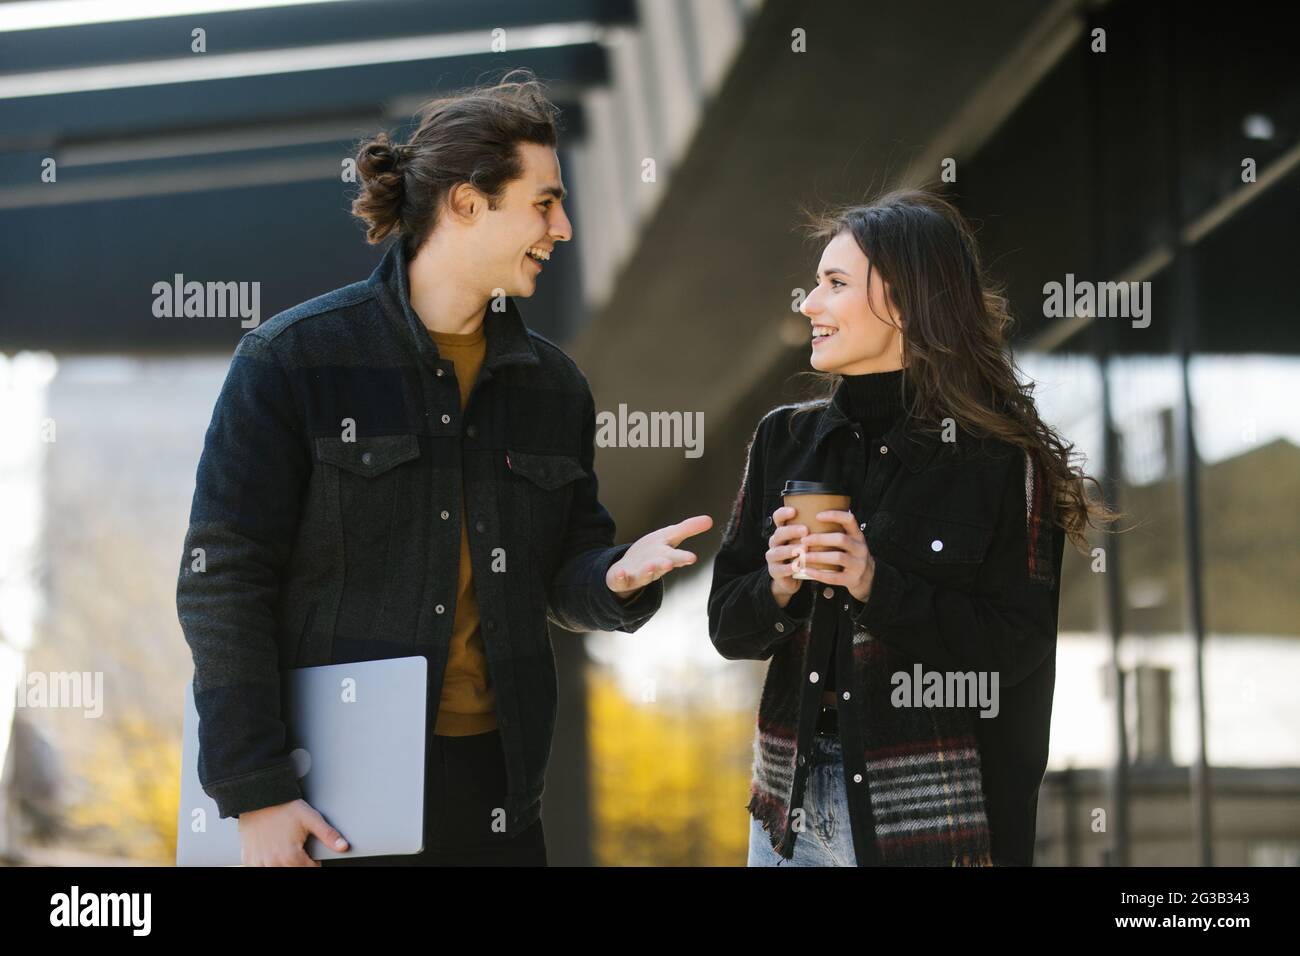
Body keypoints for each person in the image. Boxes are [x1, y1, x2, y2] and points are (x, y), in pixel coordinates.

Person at [176, 70, 710, 867]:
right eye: (544, 201)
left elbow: (566, 571)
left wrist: (615, 580)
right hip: (328, 787)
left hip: (501, 791)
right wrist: (255, 789)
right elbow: (222, 578)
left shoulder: (553, 386)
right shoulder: (294, 360)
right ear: (466, 203)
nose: (562, 227)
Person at [707, 188, 1120, 866]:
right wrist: (776, 586)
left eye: (834, 284)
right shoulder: (782, 439)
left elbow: (1014, 653)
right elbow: (728, 626)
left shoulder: (1000, 460)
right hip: (789, 815)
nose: (809, 304)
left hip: (936, 827)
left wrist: (876, 584)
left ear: (903, 302)